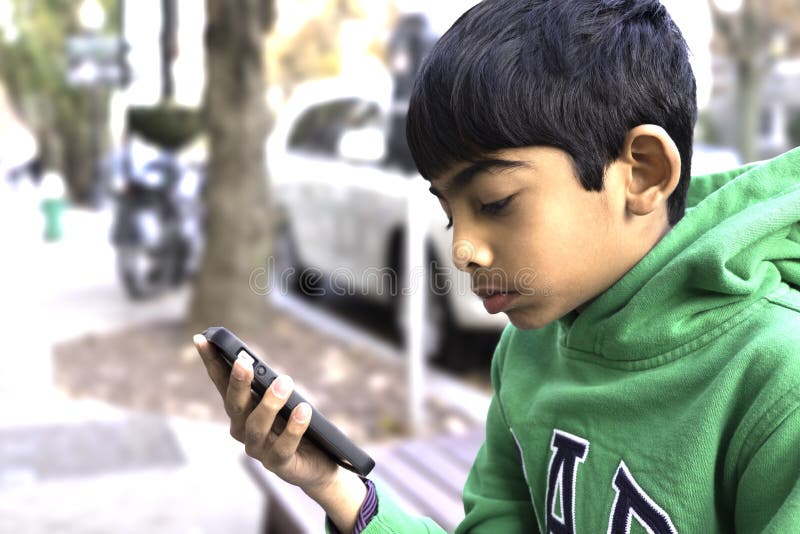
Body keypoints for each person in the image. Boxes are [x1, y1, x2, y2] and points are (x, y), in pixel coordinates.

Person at [193, 0, 800, 531]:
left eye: (494, 202)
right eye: (452, 213)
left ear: (641, 173)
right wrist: (332, 484)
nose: (462, 249)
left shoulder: (776, 380)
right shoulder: (527, 354)